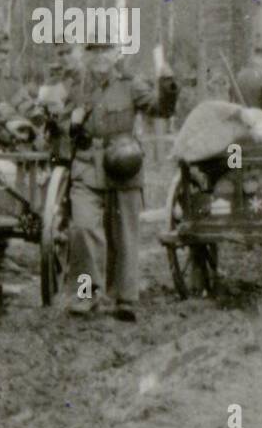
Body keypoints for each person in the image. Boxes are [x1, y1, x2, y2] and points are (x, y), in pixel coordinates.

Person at [55, 40, 178, 322]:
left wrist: (167, 84)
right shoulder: (77, 87)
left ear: (116, 54)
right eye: (93, 50)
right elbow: (59, 124)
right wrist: (71, 124)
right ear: (86, 55)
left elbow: (161, 109)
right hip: (86, 167)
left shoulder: (131, 84)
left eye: (105, 50)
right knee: (83, 228)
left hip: (124, 164)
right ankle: (85, 295)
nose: (99, 56)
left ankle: (125, 298)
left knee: (124, 233)